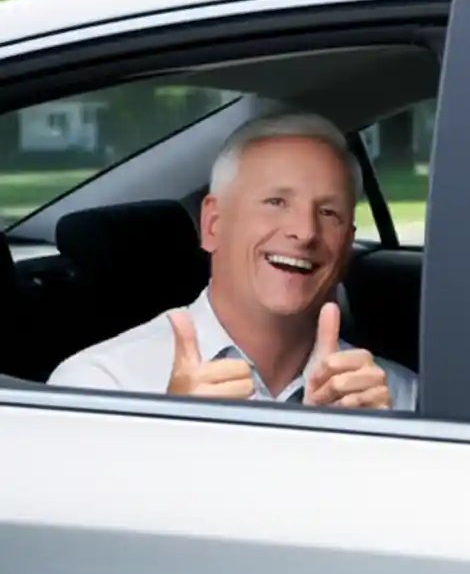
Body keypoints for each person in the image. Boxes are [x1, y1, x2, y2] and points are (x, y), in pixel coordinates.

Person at [49, 113, 417, 411]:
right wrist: (167, 439)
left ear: (347, 244)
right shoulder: (102, 386)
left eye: (328, 212)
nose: (305, 232)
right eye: (276, 202)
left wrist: (379, 445)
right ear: (213, 224)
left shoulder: (397, 398)